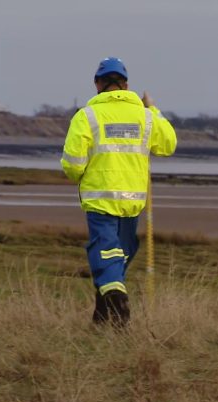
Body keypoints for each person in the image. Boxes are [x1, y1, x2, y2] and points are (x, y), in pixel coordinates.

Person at [60, 57, 177, 326]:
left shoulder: (87, 116)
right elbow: (168, 144)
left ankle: (113, 295)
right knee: (120, 251)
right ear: (125, 84)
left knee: (105, 249)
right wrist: (154, 109)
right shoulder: (146, 116)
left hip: (99, 197)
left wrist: (78, 175)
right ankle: (105, 312)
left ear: (98, 84)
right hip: (133, 200)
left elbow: (72, 163)